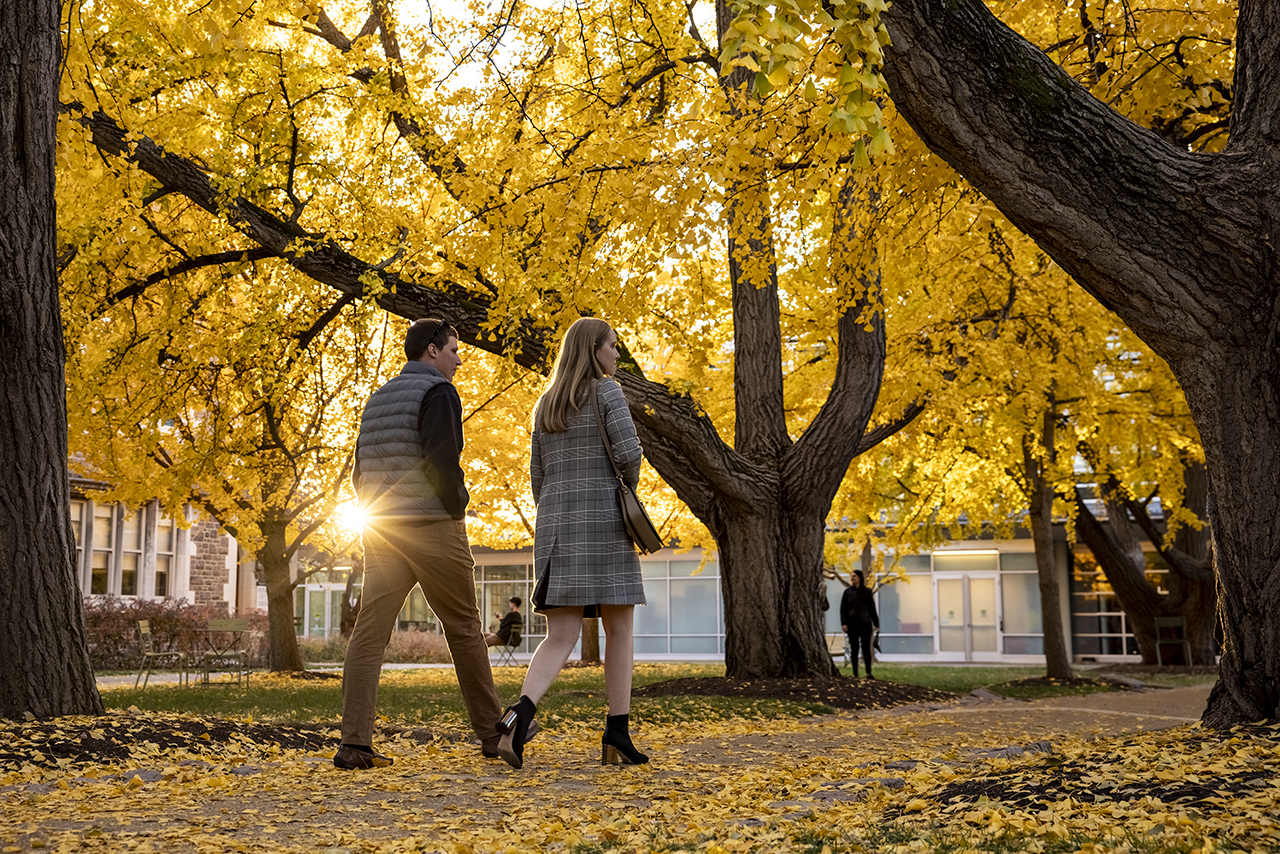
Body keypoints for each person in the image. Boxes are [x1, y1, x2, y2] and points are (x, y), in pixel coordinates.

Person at [335, 318, 507, 770]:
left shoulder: (377, 399)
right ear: (432, 350)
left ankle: (354, 744)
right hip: (433, 525)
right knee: (464, 628)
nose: (458, 360)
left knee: (369, 634)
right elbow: (442, 461)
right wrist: (456, 508)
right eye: (454, 350)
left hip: (383, 531)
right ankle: (493, 734)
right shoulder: (439, 391)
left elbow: (359, 471)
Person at [495, 317, 649, 770]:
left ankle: (519, 716)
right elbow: (629, 455)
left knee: (560, 635)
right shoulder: (608, 392)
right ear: (592, 349)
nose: (617, 354)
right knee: (619, 630)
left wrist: (559, 511)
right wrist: (621, 489)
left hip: (555, 528)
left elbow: (537, 478)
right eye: (612, 346)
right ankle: (617, 733)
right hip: (604, 523)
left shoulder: (545, 404)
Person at [840, 569, 880, 679]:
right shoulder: (847, 592)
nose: (852, 578)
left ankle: (868, 673)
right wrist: (844, 623)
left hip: (865, 623)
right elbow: (843, 609)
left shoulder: (867, 592)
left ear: (860, 578)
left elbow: (872, 609)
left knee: (866, 648)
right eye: (851, 576)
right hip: (852, 624)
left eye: (854, 576)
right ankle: (855, 674)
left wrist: (876, 624)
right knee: (854, 648)